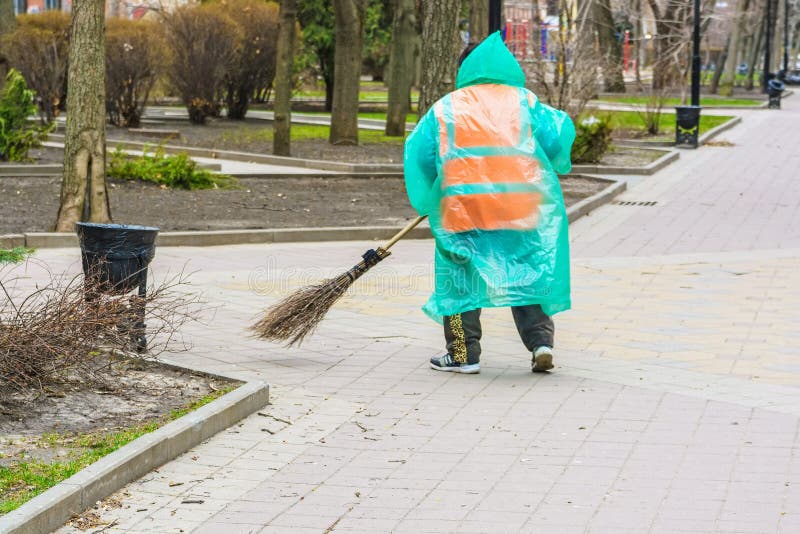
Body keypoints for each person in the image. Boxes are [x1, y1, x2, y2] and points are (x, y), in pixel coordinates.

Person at [403, 32, 575, 374]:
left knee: (456, 284)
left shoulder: (447, 107)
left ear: (465, 69)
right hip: (518, 210)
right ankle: (540, 341)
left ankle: (463, 354)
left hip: (463, 214)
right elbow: (557, 137)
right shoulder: (524, 101)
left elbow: (419, 155)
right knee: (526, 275)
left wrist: (429, 196)